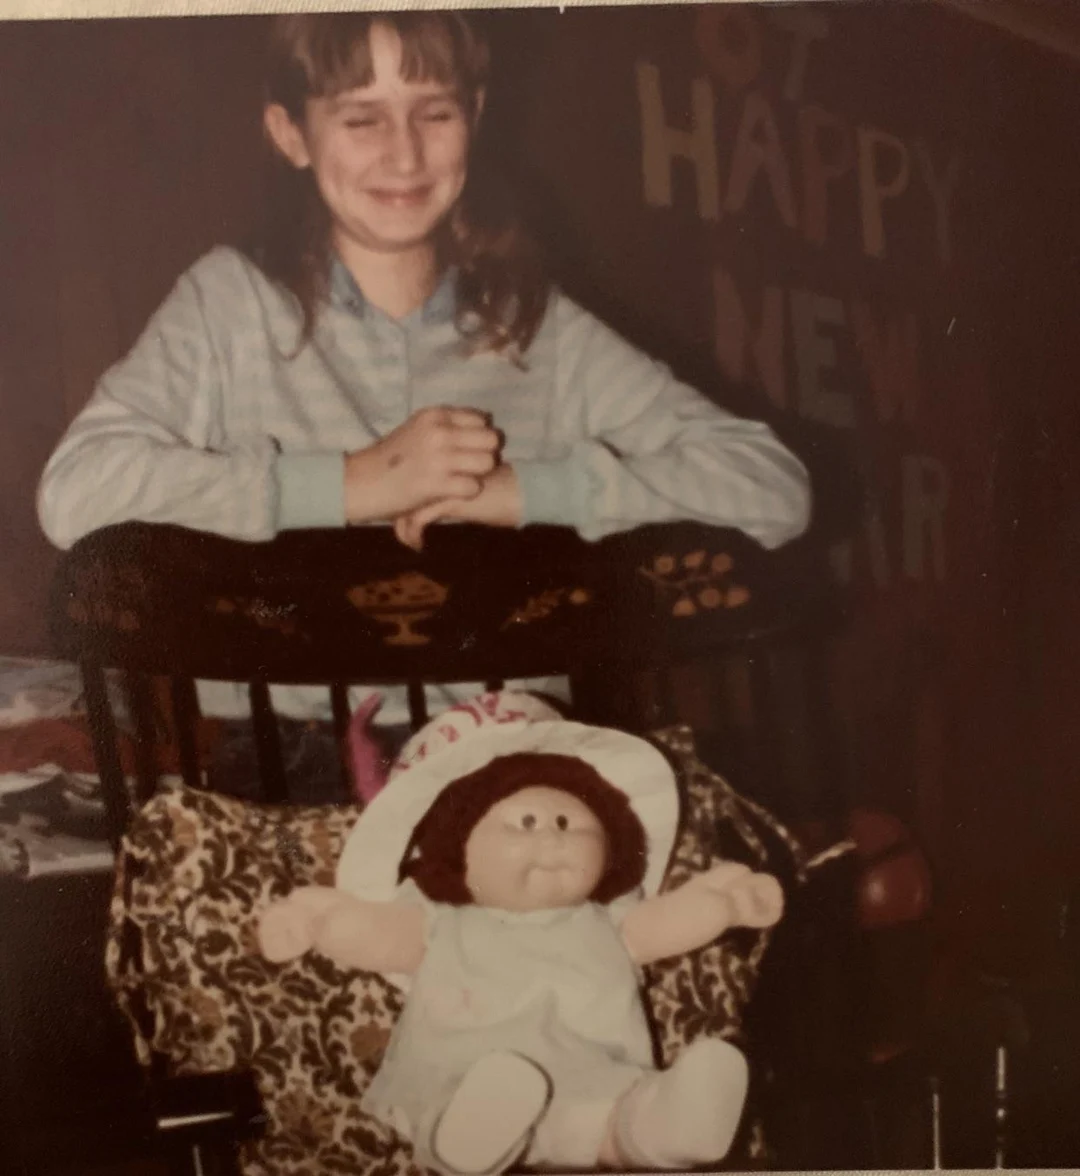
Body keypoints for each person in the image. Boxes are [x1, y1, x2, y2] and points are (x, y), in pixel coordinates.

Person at [36, 11, 811, 730]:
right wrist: (353, 482)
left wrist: (524, 493)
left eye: (434, 112)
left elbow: (771, 489)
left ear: (476, 114)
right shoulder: (228, 305)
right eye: (361, 117)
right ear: (291, 133)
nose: (403, 153)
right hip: (276, 777)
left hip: (510, 788)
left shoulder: (541, 329)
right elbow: (75, 494)